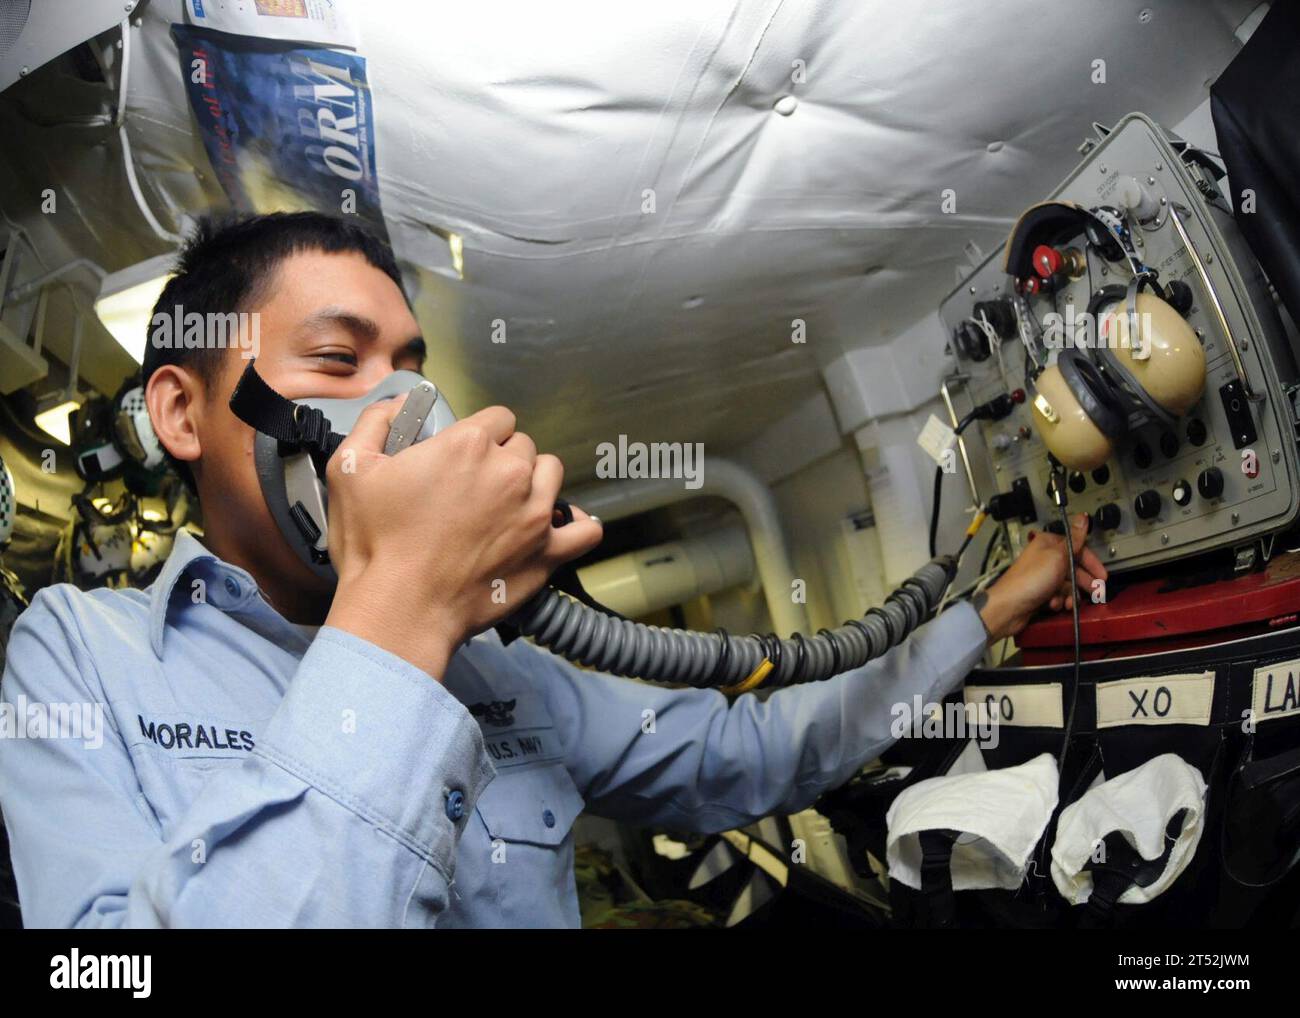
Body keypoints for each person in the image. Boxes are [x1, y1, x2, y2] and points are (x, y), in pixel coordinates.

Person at [0, 212, 1106, 928]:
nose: (399, 413)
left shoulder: (495, 662)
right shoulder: (76, 657)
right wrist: (401, 615)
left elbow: (753, 752)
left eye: (411, 372)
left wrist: (980, 615)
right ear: (185, 410)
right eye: (338, 362)